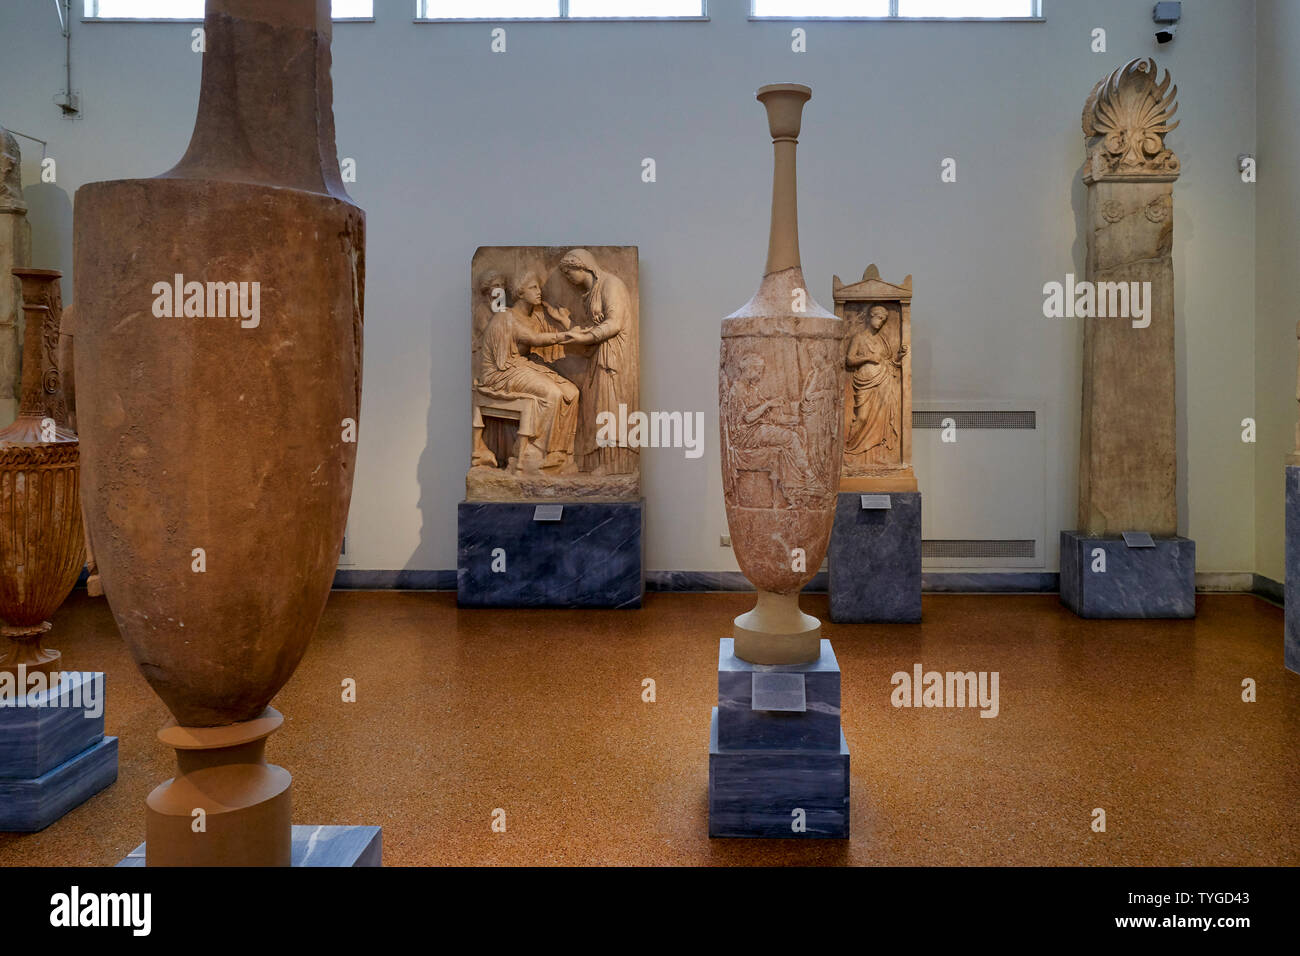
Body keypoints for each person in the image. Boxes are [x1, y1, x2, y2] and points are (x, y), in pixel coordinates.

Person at [477, 271, 581, 473]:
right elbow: (534, 339)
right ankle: (534, 451)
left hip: (520, 366)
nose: (539, 291)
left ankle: (559, 453)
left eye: (539, 287)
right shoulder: (507, 316)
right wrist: (567, 334)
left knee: (571, 392)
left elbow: (536, 342)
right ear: (520, 292)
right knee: (552, 393)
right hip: (500, 372)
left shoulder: (533, 318)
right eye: (533, 287)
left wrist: (563, 322)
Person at [558, 249, 637, 475]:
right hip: (598, 353)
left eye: (570, 272)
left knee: (609, 405)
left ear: (584, 267)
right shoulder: (591, 292)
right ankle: (593, 461)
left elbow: (615, 323)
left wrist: (585, 336)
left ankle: (614, 462)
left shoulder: (612, 285)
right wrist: (570, 325)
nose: (568, 278)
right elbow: (597, 325)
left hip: (614, 356)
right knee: (594, 406)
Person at [844, 305, 906, 465]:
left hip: (884, 382)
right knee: (862, 417)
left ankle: (876, 455)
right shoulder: (859, 337)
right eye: (878, 318)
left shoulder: (882, 339)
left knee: (881, 420)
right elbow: (849, 360)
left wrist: (899, 356)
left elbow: (889, 363)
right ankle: (848, 450)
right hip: (864, 383)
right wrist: (868, 358)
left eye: (883, 320)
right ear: (870, 316)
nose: (880, 323)